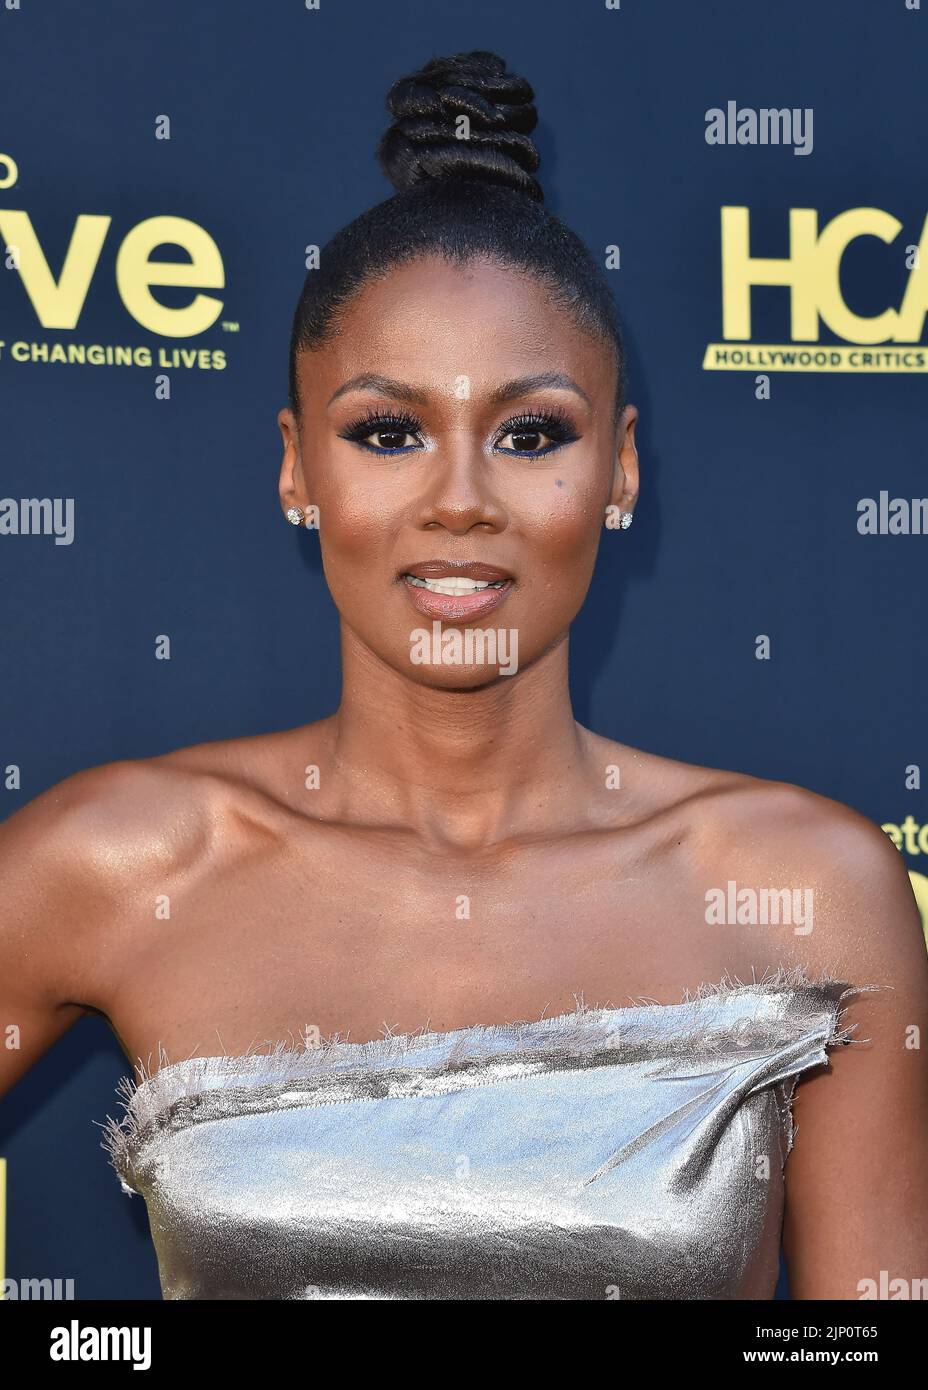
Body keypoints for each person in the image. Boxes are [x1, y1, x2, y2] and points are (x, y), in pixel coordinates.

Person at [1, 51, 926, 1301]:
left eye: (529, 432)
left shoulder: (802, 889)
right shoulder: (122, 862)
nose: (456, 500)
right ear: (296, 469)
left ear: (621, 467)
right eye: (387, 432)